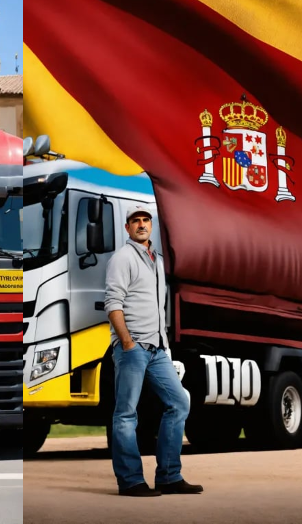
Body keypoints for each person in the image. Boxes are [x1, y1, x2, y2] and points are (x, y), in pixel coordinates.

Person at [103, 205, 201, 498]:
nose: (142, 225)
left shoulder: (155, 259)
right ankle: (131, 481)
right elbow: (113, 303)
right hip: (132, 348)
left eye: (146, 220)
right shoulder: (122, 258)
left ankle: (169, 476)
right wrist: (127, 342)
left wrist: (165, 346)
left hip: (157, 348)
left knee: (179, 403)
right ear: (127, 228)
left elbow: (158, 309)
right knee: (126, 414)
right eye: (136, 221)